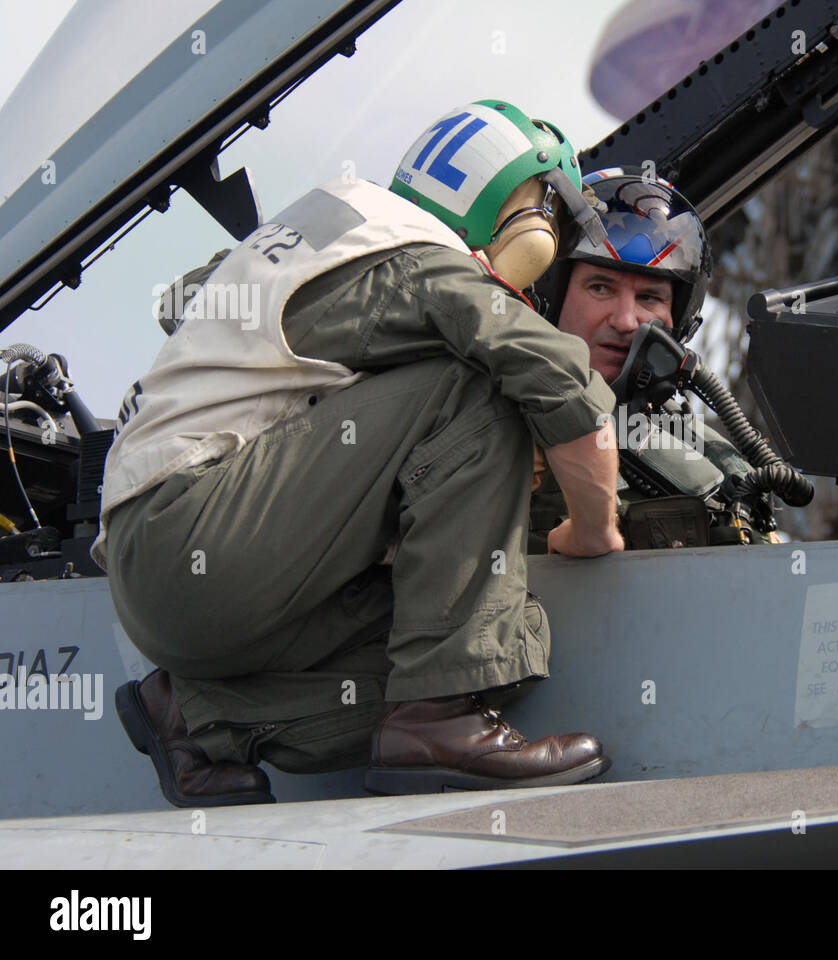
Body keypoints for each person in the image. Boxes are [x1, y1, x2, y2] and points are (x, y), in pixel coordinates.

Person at [97, 99, 627, 807]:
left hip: (178, 583)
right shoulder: (412, 260)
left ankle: (196, 718)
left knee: (500, 636)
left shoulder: (333, 234)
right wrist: (593, 527)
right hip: (196, 532)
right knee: (478, 386)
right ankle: (440, 720)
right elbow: (555, 370)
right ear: (527, 210)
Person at [526, 166, 769, 550]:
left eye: (649, 298)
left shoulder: (712, 458)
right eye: (600, 288)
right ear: (553, 297)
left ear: (680, 323)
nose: (625, 321)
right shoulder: (489, 415)